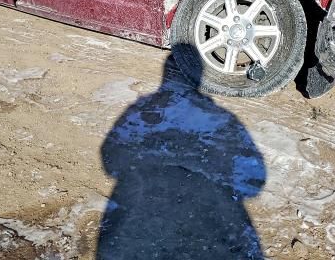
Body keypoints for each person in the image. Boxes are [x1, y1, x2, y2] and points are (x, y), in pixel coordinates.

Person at [98, 50, 266, 259]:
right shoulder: (223, 120)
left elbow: (110, 159)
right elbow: (254, 181)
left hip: (147, 220)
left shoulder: (142, 109)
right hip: (202, 226)